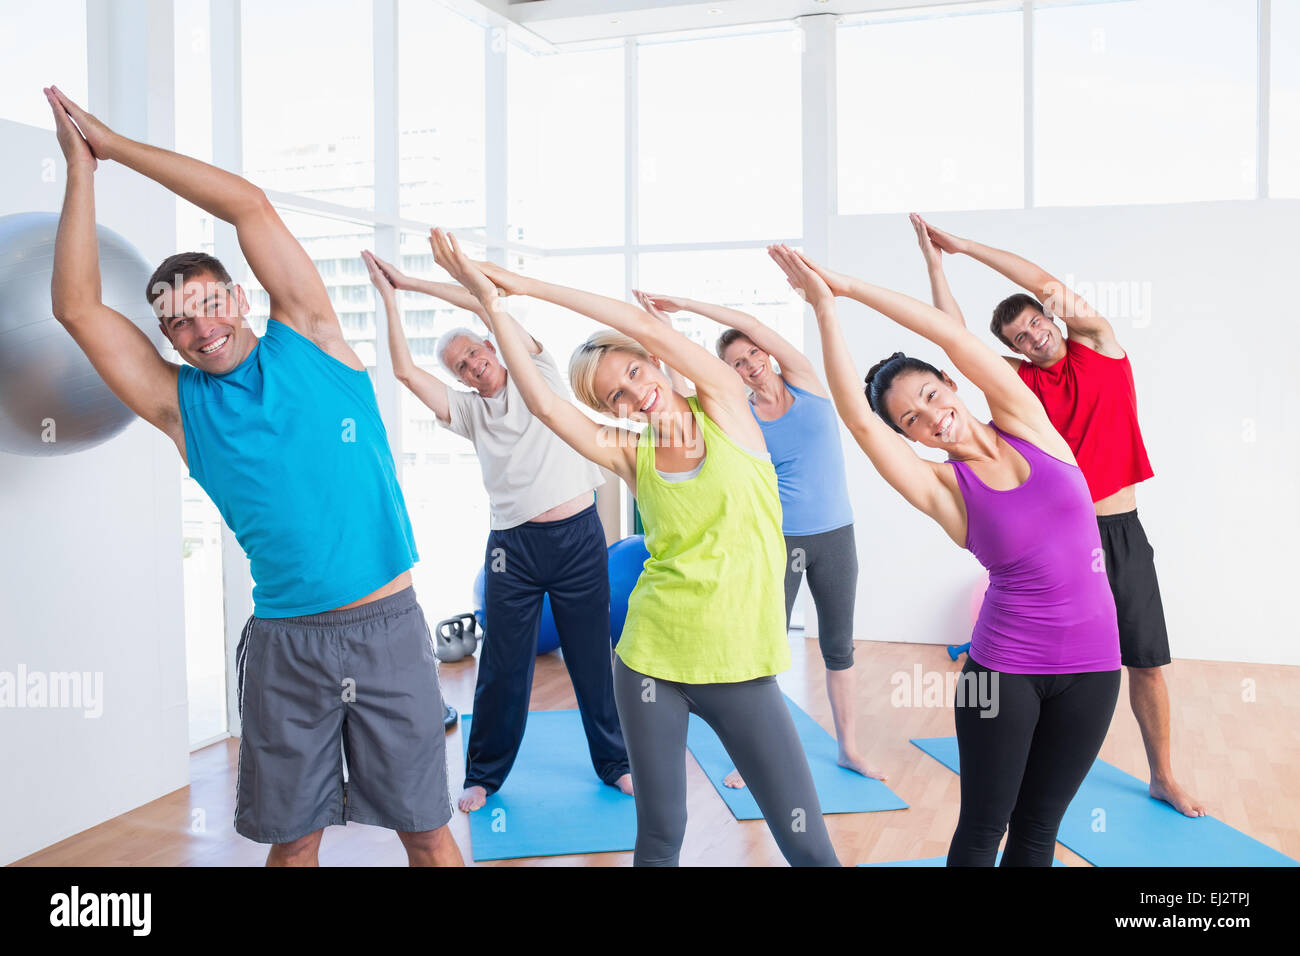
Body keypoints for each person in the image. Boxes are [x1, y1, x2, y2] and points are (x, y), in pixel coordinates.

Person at [43, 86, 462, 866]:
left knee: (426, 830)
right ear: (165, 335)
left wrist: (114, 144)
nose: (204, 329)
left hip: (387, 627)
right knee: (292, 837)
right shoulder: (177, 405)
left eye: (210, 304)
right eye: (180, 321)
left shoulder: (311, 335)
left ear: (239, 297)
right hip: (286, 643)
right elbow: (77, 308)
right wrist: (81, 171)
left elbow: (249, 205)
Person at [429, 229, 841, 867]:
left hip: (740, 665)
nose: (632, 393)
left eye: (634, 371)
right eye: (613, 395)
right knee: (658, 837)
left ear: (652, 359)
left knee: (806, 842)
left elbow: (624, 321)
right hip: (650, 659)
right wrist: (495, 307)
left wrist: (520, 285)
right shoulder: (632, 453)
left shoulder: (726, 408)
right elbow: (540, 400)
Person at [767, 243, 1121, 866]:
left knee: (1040, 833)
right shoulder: (944, 489)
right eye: (912, 418)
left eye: (931, 394)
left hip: (1094, 667)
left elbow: (949, 335)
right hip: (1005, 672)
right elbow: (858, 418)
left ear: (951, 383)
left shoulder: (1029, 422)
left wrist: (847, 283)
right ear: (907, 435)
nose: (933, 416)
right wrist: (825, 309)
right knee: (985, 829)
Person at [911, 214, 1205, 818]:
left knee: (1145, 661)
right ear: (1014, 352)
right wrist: (938, 267)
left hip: (1120, 532)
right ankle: (1024, 769)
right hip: (1060, 544)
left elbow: (1042, 280)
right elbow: (954, 341)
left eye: (1036, 323)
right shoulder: (1020, 389)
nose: (1033, 337)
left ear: (1053, 319)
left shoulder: (1100, 346)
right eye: (1019, 337)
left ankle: (1163, 774)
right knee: (1051, 670)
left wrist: (964, 245)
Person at [360, 246, 632, 812]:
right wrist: (389, 301)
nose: (470, 365)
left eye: (474, 353)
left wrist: (413, 281)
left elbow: (487, 306)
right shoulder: (469, 413)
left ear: (491, 345)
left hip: (579, 537)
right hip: (513, 550)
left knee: (590, 660)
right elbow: (406, 371)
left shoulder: (541, 371)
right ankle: (483, 775)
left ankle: (616, 764)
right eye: (459, 366)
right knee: (502, 667)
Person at [631, 291, 885, 787]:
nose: (749, 366)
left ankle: (849, 748)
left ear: (766, 353)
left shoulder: (808, 384)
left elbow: (749, 322)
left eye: (752, 355)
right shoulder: (737, 417)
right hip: (779, 542)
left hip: (836, 536)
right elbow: (684, 399)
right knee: (762, 647)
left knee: (839, 646)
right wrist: (662, 332)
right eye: (736, 364)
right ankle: (753, 755)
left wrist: (689, 305)